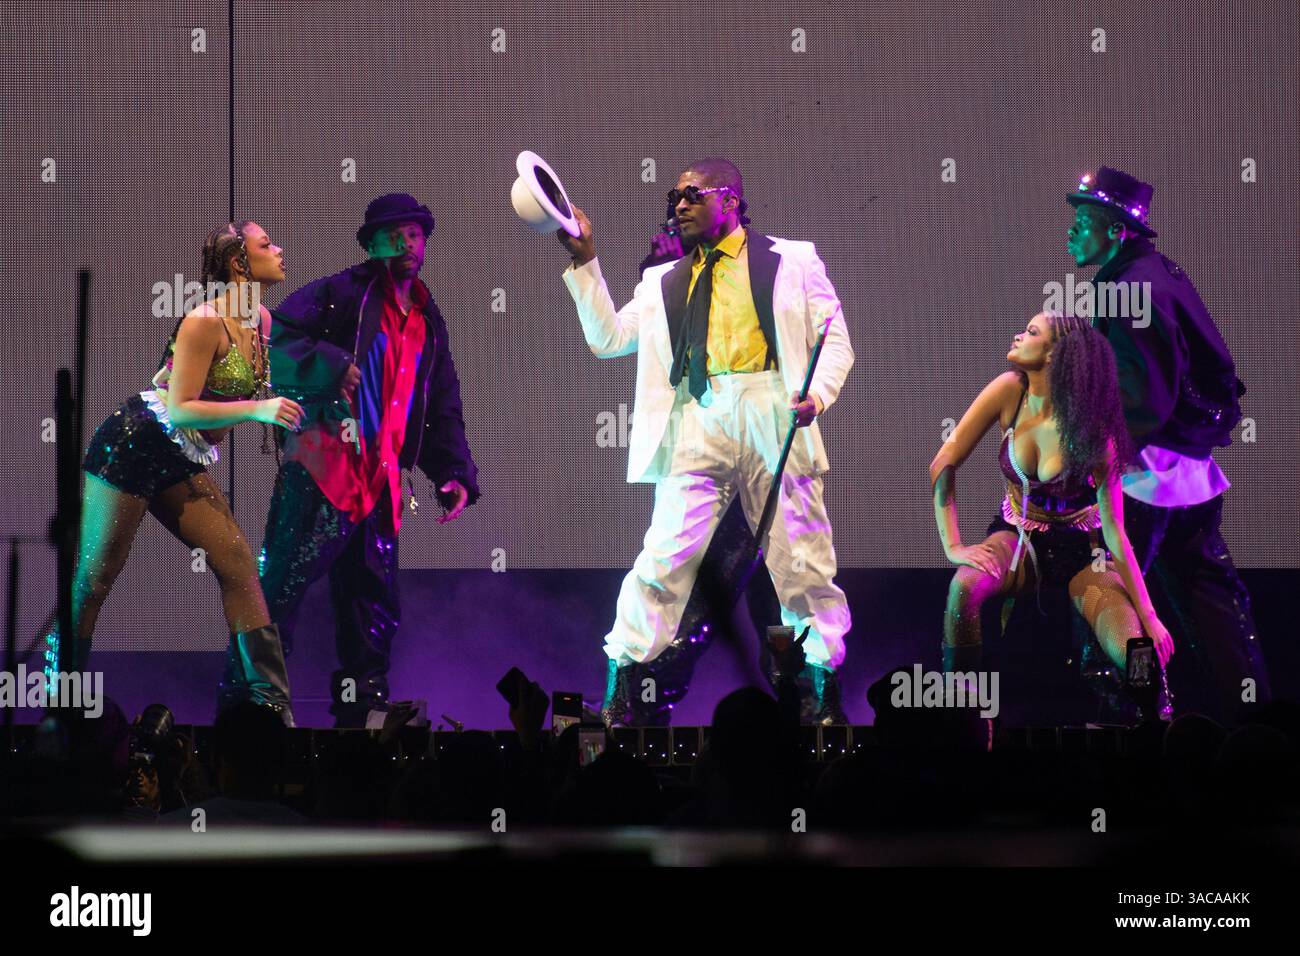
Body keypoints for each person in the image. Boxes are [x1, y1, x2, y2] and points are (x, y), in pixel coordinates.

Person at [558, 158, 854, 725]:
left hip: (773, 407)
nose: (679, 204)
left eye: (693, 193)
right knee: (665, 553)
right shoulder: (663, 279)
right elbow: (609, 338)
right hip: (699, 414)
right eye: (674, 195)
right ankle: (624, 681)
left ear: (731, 200)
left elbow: (833, 339)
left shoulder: (793, 259)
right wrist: (585, 259)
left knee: (802, 557)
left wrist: (816, 394)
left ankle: (821, 692)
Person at [65, 221, 301, 725]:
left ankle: (271, 712)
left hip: (180, 457)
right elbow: (185, 409)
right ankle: (61, 705)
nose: (279, 250)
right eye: (266, 245)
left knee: (237, 559)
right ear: (240, 264)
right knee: (96, 579)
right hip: (134, 446)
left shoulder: (261, 318)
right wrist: (257, 411)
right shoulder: (203, 321)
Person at [259, 193, 479, 728]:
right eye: (394, 233)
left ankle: (363, 708)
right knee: (281, 586)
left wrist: (452, 473)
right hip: (323, 469)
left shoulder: (427, 318)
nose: (407, 242)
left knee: (371, 599)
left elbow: (441, 401)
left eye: (415, 233)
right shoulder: (341, 294)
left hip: (379, 480)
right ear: (371, 243)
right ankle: (256, 702)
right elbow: (273, 338)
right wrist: (330, 365)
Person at [1065, 166, 1270, 723]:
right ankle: (1254, 724)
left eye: (1084, 221)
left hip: (1143, 480)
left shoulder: (1131, 290)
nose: (1071, 232)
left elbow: (1141, 397)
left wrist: (1092, 462)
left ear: (1118, 231)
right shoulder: (1155, 274)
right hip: (1187, 476)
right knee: (1212, 601)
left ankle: (1135, 719)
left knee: (1106, 601)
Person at [929, 311, 1175, 720]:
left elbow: (1116, 533)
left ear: (1056, 353)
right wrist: (953, 546)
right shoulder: (1010, 391)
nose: (1017, 334)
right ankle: (959, 719)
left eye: (1031, 332)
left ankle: (1159, 731)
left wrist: (1150, 616)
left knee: (1138, 651)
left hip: (1086, 552)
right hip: (1018, 538)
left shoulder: (1094, 431)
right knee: (963, 589)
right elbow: (943, 463)